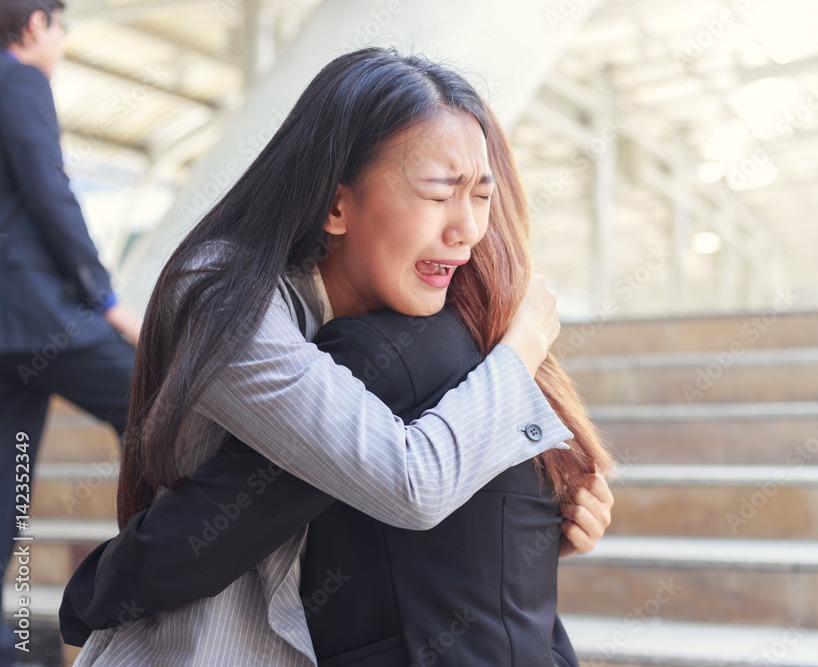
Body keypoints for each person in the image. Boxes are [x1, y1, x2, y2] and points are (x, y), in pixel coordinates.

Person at [60, 47, 615, 665]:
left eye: (481, 196)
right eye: (438, 194)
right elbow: (409, 481)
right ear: (335, 204)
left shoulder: (393, 325)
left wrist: (546, 521)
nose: (466, 230)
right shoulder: (226, 293)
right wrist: (522, 346)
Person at [0, 1, 140, 663]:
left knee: (6, 472)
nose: (60, 41)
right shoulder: (19, 79)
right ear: (36, 26)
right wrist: (105, 296)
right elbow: (50, 190)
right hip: (38, 318)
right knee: (153, 399)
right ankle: (155, 584)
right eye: (61, 27)